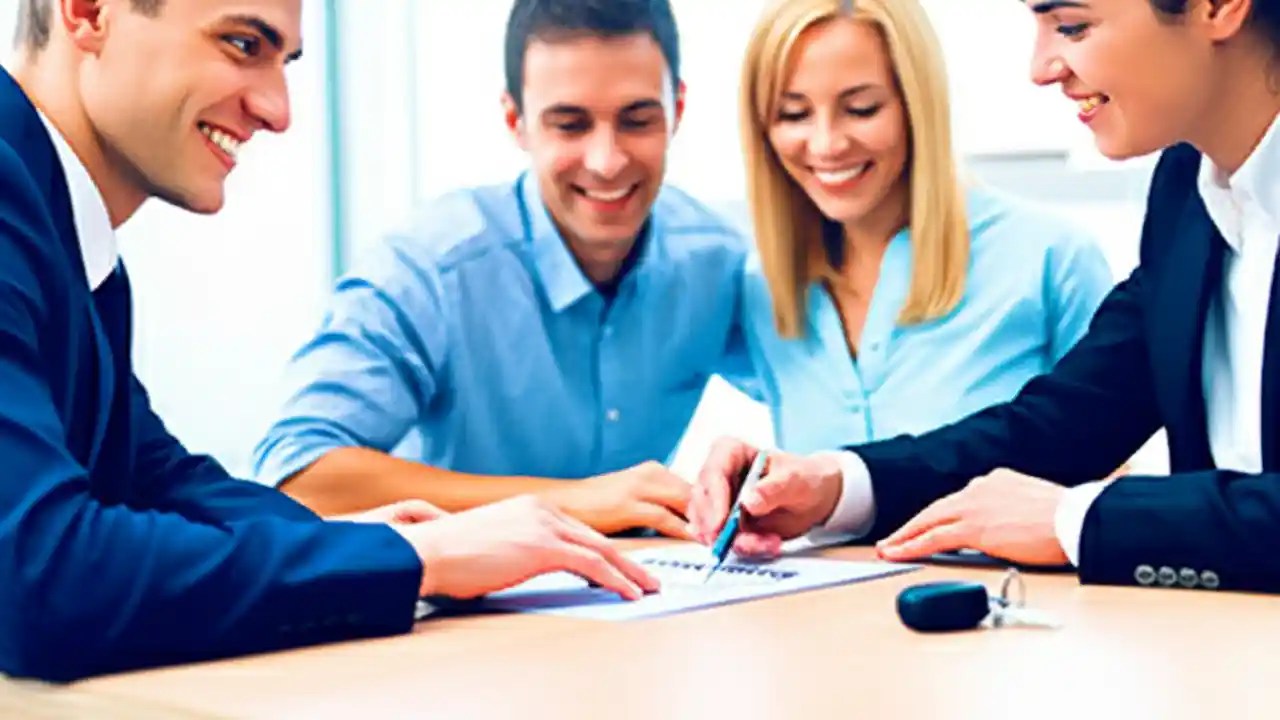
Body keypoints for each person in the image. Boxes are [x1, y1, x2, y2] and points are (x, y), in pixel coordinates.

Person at [0, 0, 655, 682]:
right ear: (88, 11)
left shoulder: (68, 238)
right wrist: (420, 559)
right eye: (242, 43)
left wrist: (372, 543)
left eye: (282, 61)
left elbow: (153, 480)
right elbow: (37, 580)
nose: (278, 111)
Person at [689, 0, 1280, 595]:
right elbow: (1065, 423)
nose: (1041, 68)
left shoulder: (1049, 247)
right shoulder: (1188, 189)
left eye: (1072, 26)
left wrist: (1075, 521)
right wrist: (838, 483)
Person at [251, 0, 753, 539]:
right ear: (516, 121)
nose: (606, 161)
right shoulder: (431, 268)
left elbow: (833, 391)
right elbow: (298, 473)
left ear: (677, 109)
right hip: (460, 612)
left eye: (637, 120)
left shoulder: (718, 260)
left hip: (647, 600)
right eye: (569, 124)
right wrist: (577, 502)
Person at [735, 0, 1112, 458]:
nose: (827, 144)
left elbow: (1107, 463)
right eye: (794, 115)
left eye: (861, 109)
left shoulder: (1050, 258)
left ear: (916, 104)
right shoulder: (760, 290)